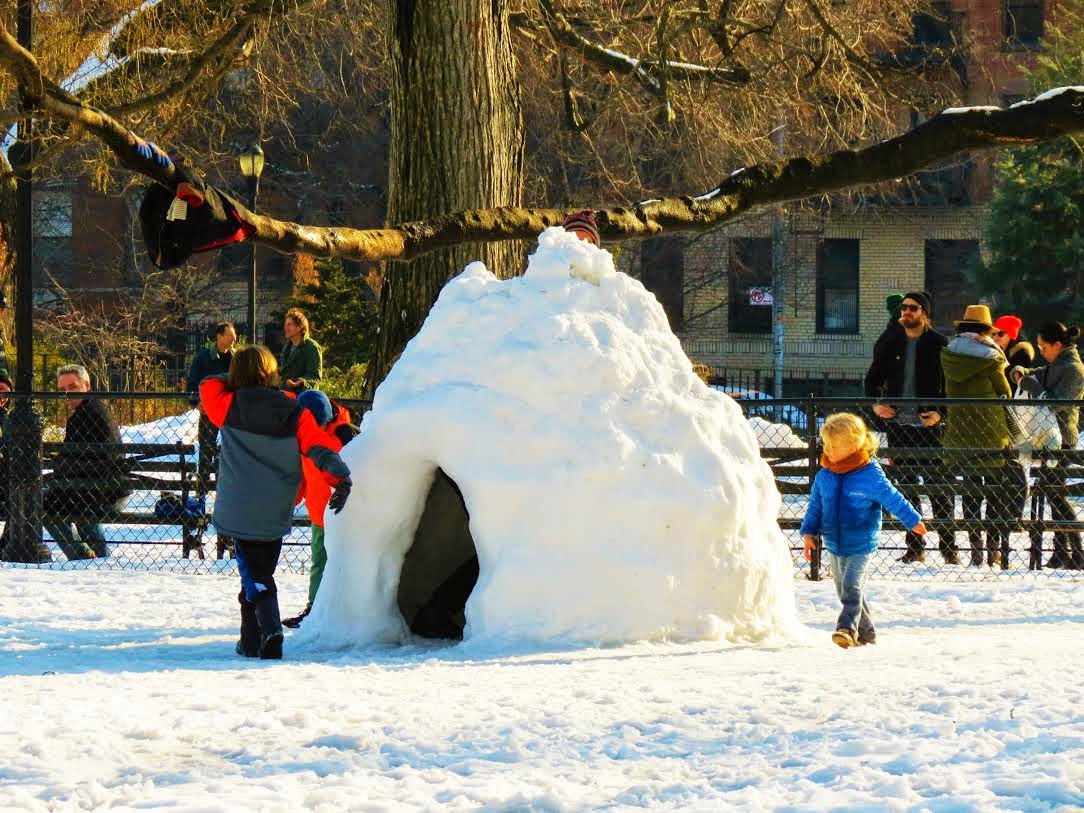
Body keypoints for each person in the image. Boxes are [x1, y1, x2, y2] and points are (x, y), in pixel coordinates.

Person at [200, 346, 351, 659]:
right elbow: (319, 448)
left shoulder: (227, 404)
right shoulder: (294, 410)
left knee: (256, 577)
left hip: (240, 508)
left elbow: (208, 383)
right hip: (276, 508)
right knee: (259, 572)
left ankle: (270, 631)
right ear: (271, 372)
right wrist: (341, 478)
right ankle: (250, 641)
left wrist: (237, 377)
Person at [801, 412, 926, 648]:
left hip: (861, 543)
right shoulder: (824, 475)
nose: (828, 451)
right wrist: (808, 533)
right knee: (845, 590)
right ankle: (867, 635)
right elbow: (815, 507)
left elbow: (892, 498)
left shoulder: (869, 474)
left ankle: (846, 628)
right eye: (826, 445)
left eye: (834, 446)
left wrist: (912, 520)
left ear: (853, 446)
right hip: (834, 542)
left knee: (851, 586)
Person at [864, 290, 954, 564]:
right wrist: (877, 404)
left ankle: (949, 548)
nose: (906, 312)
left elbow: (950, 385)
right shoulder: (890, 341)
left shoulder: (938, 343)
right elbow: (872, 380)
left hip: (930, 427)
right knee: (906, 488)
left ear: (924, 313)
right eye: (904, 307)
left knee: (939, 488)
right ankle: (915, 547)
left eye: (913, 308)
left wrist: (940, 413)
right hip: (899, 426)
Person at [940, 305, 1014, 567]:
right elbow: (1005, 391)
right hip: (990, 431)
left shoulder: (949, 354)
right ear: (984, 331)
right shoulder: (992, 356)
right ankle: (993, 548)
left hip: (960, 429)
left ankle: (976, 548)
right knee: (994, 491)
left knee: (971, 491)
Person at [1011, 322, 1084, 569]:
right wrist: (1020, 371)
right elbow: (1035, 373)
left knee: (1056, 495)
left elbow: (1057, 403)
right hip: (1047, 438)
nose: (1041, 352)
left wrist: (1031, 384)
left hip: (1062, 440)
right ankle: (1062, 552)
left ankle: (1077, 552)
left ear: (1057, 345)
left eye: (1043, 347)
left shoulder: (1073, 369)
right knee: (1054, 496)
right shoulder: (1056, 365)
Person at [42, 365, 132, 560]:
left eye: (72, 387)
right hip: (102, 489)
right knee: (60, 500)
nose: (67, 394)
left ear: (87, 385)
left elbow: (76, 461)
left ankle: (85, 556)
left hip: (101, 493)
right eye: (63, 389)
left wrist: (59, 466)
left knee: (41, 503)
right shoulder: (93, 410)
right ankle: (92, 557)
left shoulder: (86, 416)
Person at [283, 389, 342, 629]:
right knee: (320, 562)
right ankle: (314, 609)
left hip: (345, 515)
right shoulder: (302, 438)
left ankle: (342, 612)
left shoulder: (343, 437)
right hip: (319, 515)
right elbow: (301, 478)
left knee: (344, 563)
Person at [187, 321, 237, 492]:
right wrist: (196, 403)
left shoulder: (235, 359)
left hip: (230, 411)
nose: (233, 338)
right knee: (206, 448)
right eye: (229, 335)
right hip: (209, 410)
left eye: (234, 335)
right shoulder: (203, 358)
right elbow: (192, 384)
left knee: (232, 448)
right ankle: (202, 488)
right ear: (219, 336)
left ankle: (228, 486)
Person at [279, 308, 322, 393]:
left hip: (304, 395)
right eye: (285, 325)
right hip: (287, 395)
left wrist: (301, 382)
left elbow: (314, 376)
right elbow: (284, 374)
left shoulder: (312, 347)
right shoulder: (287, 348)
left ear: (299, 327)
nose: (285, 327)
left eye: (289, 324)